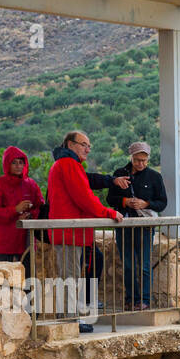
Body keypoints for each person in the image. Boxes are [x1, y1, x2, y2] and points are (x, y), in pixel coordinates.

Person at [46, 131, 122, 329]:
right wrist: (108, 212)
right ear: (70, 145)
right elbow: (84, 196)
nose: (87, 149)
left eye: (89, 146)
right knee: (69, 277)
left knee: (69, 276)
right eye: (83, 144)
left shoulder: (64, 164)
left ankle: (69, 318)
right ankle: (69, 322)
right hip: (69, 233)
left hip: (69, 232)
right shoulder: (69, 165)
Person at [107, 141, 169, 310]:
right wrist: (125, 201)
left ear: (148, 159)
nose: (141, 164)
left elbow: (162, 202)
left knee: (144, 265)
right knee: (128, 265)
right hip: (124, 225)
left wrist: (145, 204)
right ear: (132, 157)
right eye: (137, 160)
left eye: (144, 160)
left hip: (145, 227)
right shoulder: (120, 174)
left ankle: (145, 300)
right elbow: (109, 199)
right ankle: (130, 299)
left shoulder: (155, 177)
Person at [0, 145, 43, 280]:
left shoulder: (31, 184)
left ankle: (29, 302)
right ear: (7, 164)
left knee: (28, 281)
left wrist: (31, 215)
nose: (18, 166)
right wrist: (15, 210)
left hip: (26, 242)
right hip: (5, 243)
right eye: (14, 162)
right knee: (5, 282)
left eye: (21, 162)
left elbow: (40, 206)